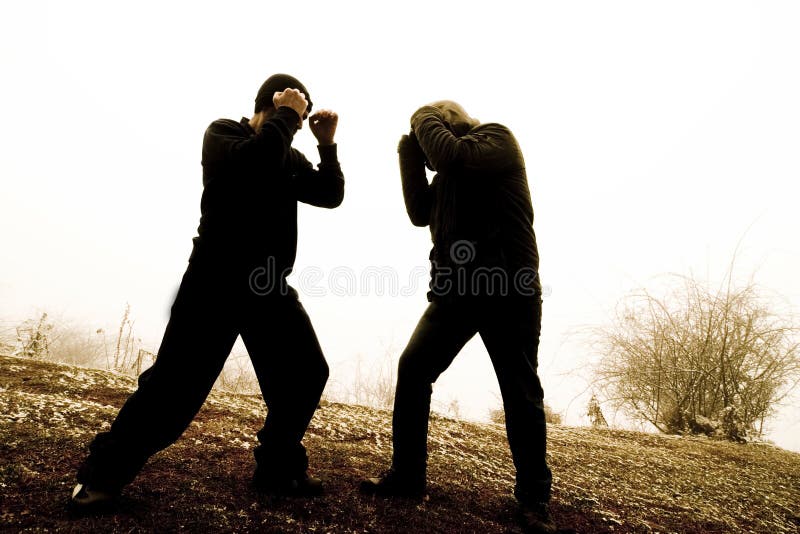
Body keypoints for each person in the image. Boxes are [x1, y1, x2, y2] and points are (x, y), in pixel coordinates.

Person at [70, 73, 344, 510]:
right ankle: (101, 478)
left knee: (306, 372)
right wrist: (287, 116)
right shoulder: (224, 135)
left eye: (296, 120)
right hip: (215, 280)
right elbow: (256, 164)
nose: (293, 127)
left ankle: (277, 467)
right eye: (290, 118)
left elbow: (329, 194)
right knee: (173, 388)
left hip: (268, 284)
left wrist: (326, 146)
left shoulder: (285, 153)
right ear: (270, 108)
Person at [360, 101, 556, 533]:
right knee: (414, 368)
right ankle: (407, 476)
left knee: (520, 390)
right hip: (456, 293)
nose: (431, 155)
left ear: (447, 122)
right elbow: (419, 212)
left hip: (508, 289)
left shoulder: (495, 139)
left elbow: (449, 155)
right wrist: (408, 151)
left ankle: (534, 499)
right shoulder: (448, 177)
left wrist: (419, 115)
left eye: (430, 136)